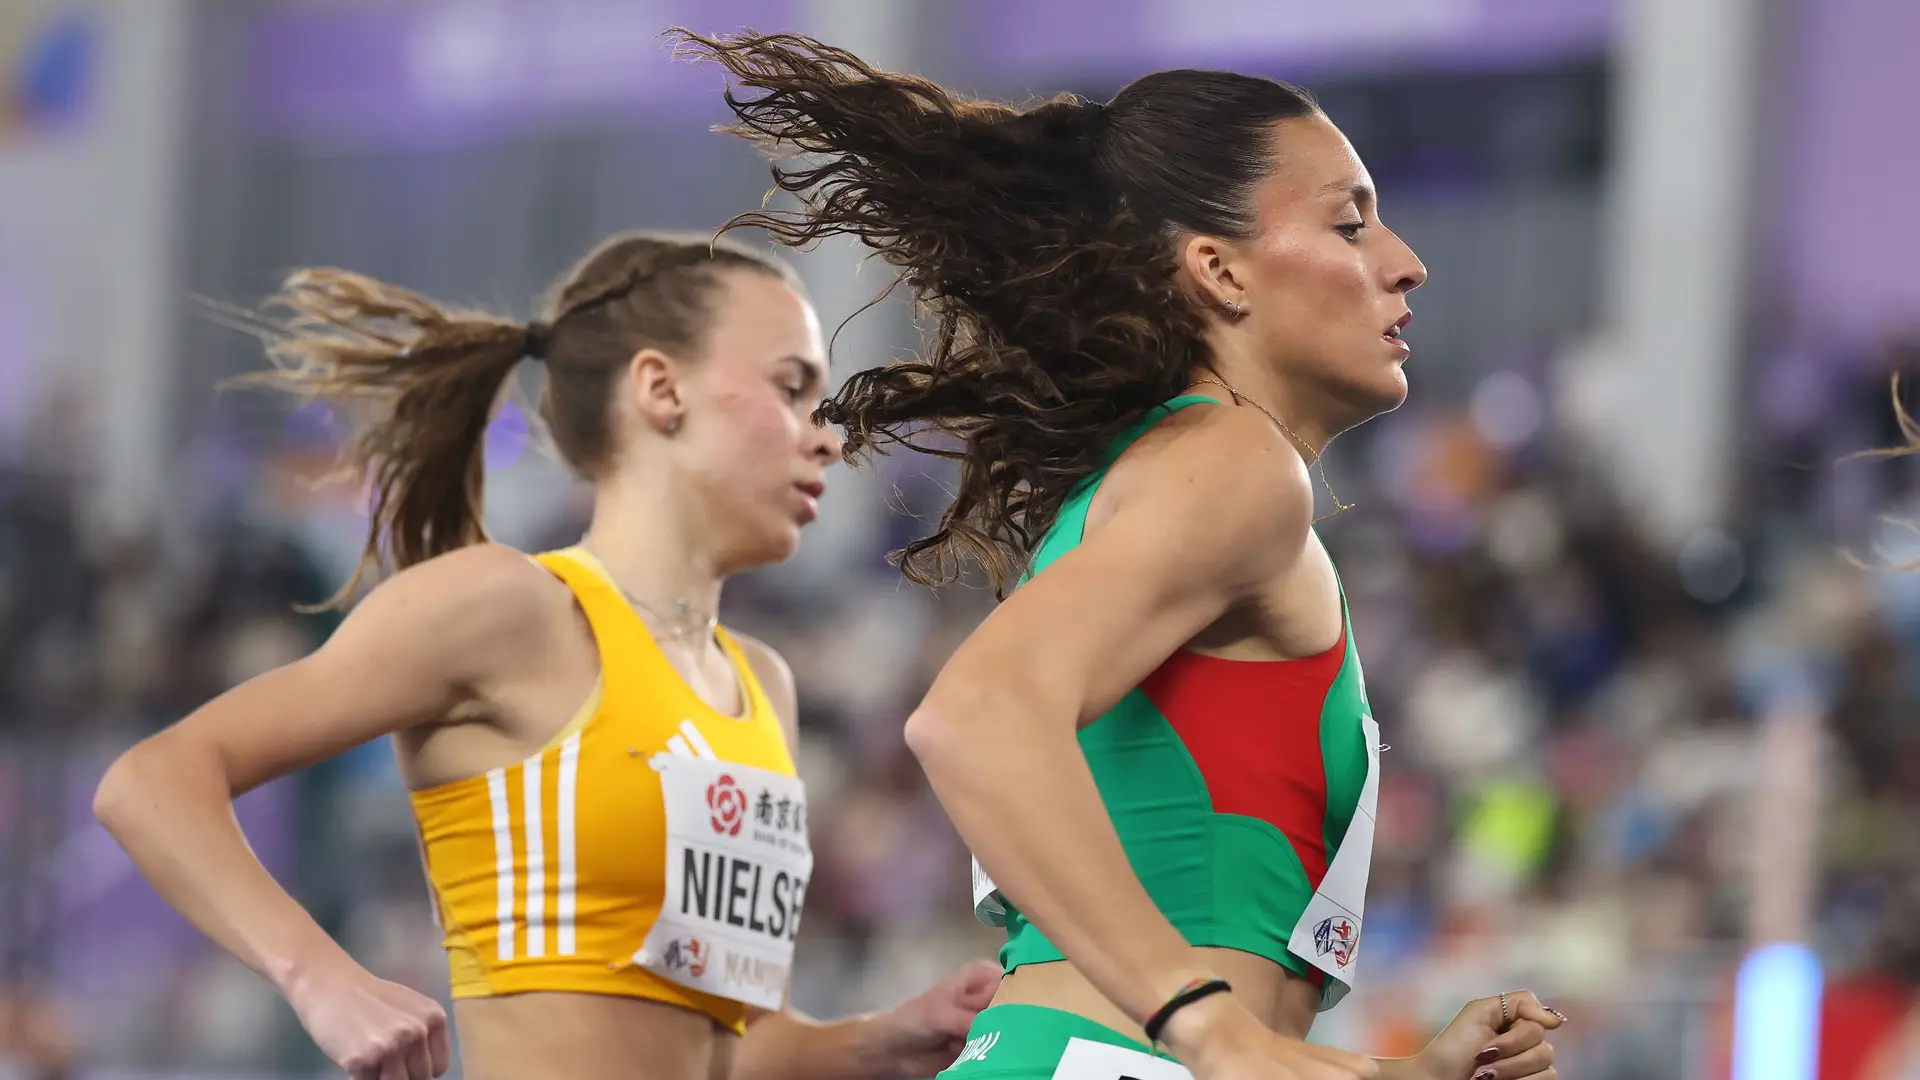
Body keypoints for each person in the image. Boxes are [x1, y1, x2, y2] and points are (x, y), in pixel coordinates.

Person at [679, 31, 1567, 1080]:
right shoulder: (1236, 463)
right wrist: (1207, 1023)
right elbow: (974, 717)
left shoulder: (1161, 476)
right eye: (1350, 223)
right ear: (1220, 270)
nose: (1404, 261)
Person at [92, 230, 999, 1080]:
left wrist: (883, 1036)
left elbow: (731, 1044)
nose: (827, 435)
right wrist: (320, 977)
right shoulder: (511, 608)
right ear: (661, 390)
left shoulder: (763, 685)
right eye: (791, 386)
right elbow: (154, 781)